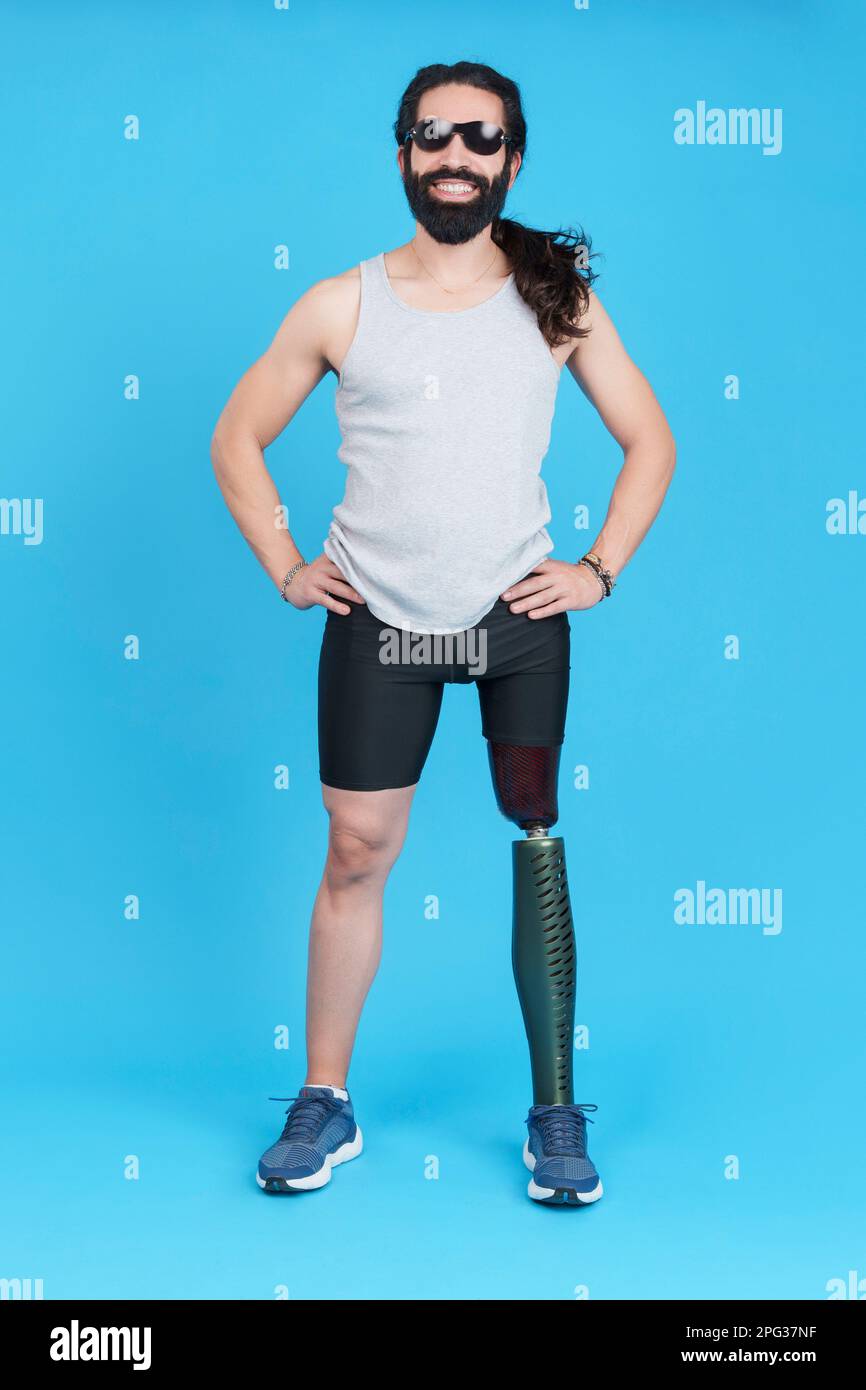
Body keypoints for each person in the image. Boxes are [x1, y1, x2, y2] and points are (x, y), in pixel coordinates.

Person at [210, 60, 676, 1205]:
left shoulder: (553, 298)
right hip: (377, 617)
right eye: (432, 137)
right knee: (358, 850)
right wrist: (282, 562)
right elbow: (235, 437)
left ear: (510, 158)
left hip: (512, 625)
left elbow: (650, 440)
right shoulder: (339, 303)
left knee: (534, 841)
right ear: (402, 153)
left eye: (479, 139)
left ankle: (555, 1113)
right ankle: (324, 1099)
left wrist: (597, 571)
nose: (454, 158)